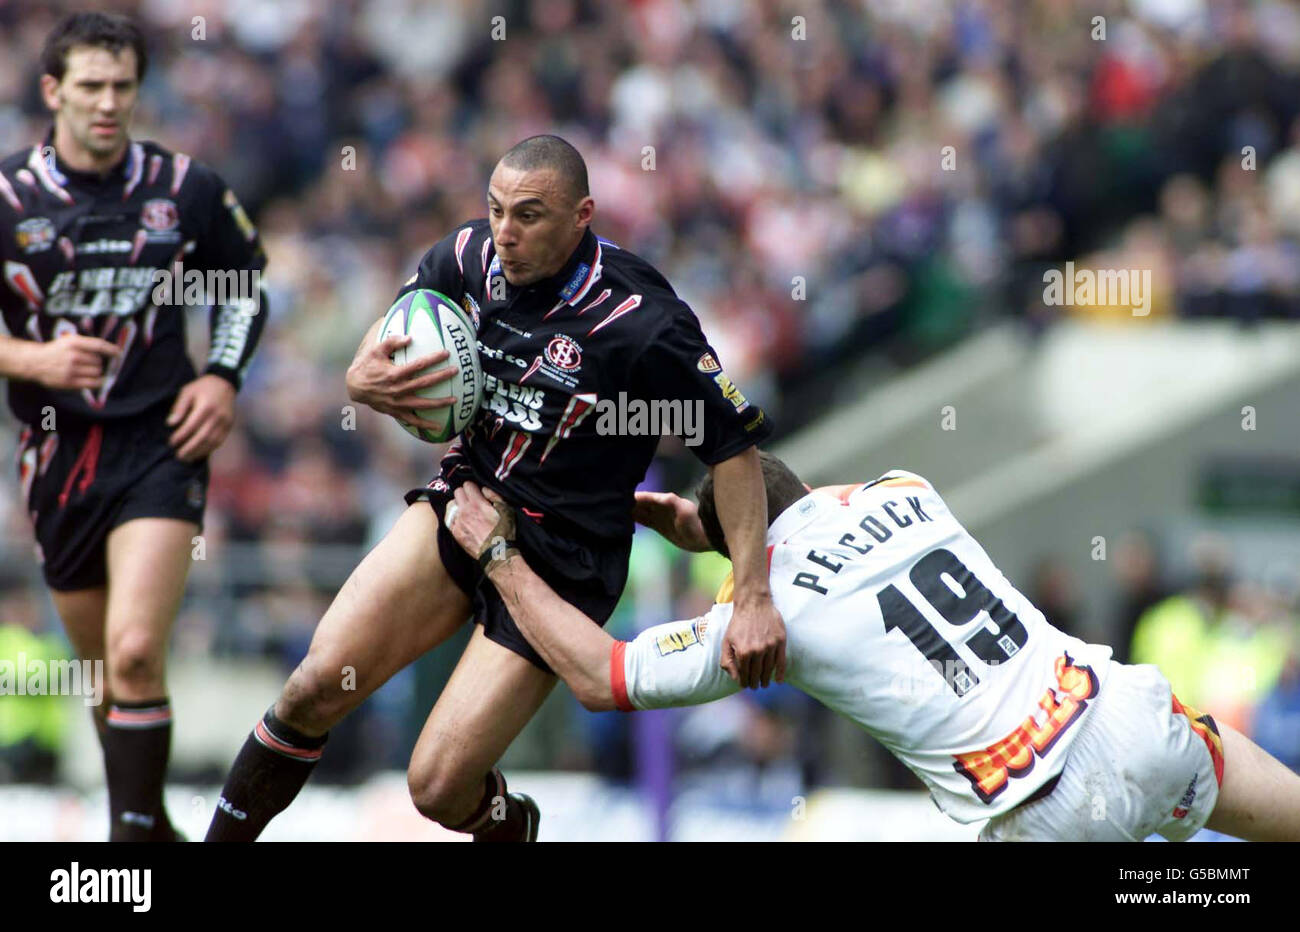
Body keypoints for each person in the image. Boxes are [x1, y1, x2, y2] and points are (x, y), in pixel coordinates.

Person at [205, 135, 781, 842]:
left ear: (582, 216)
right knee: (315, 685)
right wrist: (361, 377)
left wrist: (752, 595)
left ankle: (512, 827)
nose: (505, 233)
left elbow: (734, 447)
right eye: (497, 209)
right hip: (468, 498)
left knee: (439, 788)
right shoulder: (471, 256)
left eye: (529, 216)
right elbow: (393, 329)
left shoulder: (642, 325)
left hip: (563, 558)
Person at [442, 452, 1300, 842]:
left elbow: (600, 674)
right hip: (1126, 712)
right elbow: (791, 500)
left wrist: (501, 557)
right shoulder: (907, 489)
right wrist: (711, 520)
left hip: (1040, 806)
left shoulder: (761, 615)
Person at [0, 12, 268, 840]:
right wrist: (27, 361)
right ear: (54, 91)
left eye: (122, 86)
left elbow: (244, 283)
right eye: (90, 86)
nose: (108, 103)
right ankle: (151, 827)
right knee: (105, 675)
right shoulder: (9, 197)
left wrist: (222, 378)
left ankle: (131, 848)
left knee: (138, 651)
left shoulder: (184, 187)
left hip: (161, 440)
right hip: (57, 452)